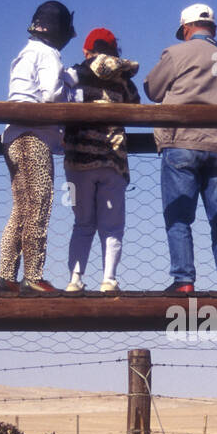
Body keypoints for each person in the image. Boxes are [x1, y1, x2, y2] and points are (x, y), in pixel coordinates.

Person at [143, 3, 217, 293]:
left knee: (179, 215)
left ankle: (184, 281)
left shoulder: (176, 53)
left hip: (182, 142)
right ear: (213, 28)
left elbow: (152, 90)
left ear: (186, 29)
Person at [0, 1, 75, 294]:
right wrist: (70, 87)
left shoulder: (24, 53)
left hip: (12, 137)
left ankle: (6, 276)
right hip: (34, 135)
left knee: (21, 208)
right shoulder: (48, 54)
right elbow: (52, 94)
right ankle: (33, 276)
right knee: (39, 205)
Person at [61, 28, 140, 292]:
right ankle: (108, 279)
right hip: (113, 161)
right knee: (112, 226)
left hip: (77, 162)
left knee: (82, 223)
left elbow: (59, 98)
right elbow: (136, 105)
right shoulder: (123, 81)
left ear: (86, 51)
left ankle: (74, 280)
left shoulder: (74, 74)